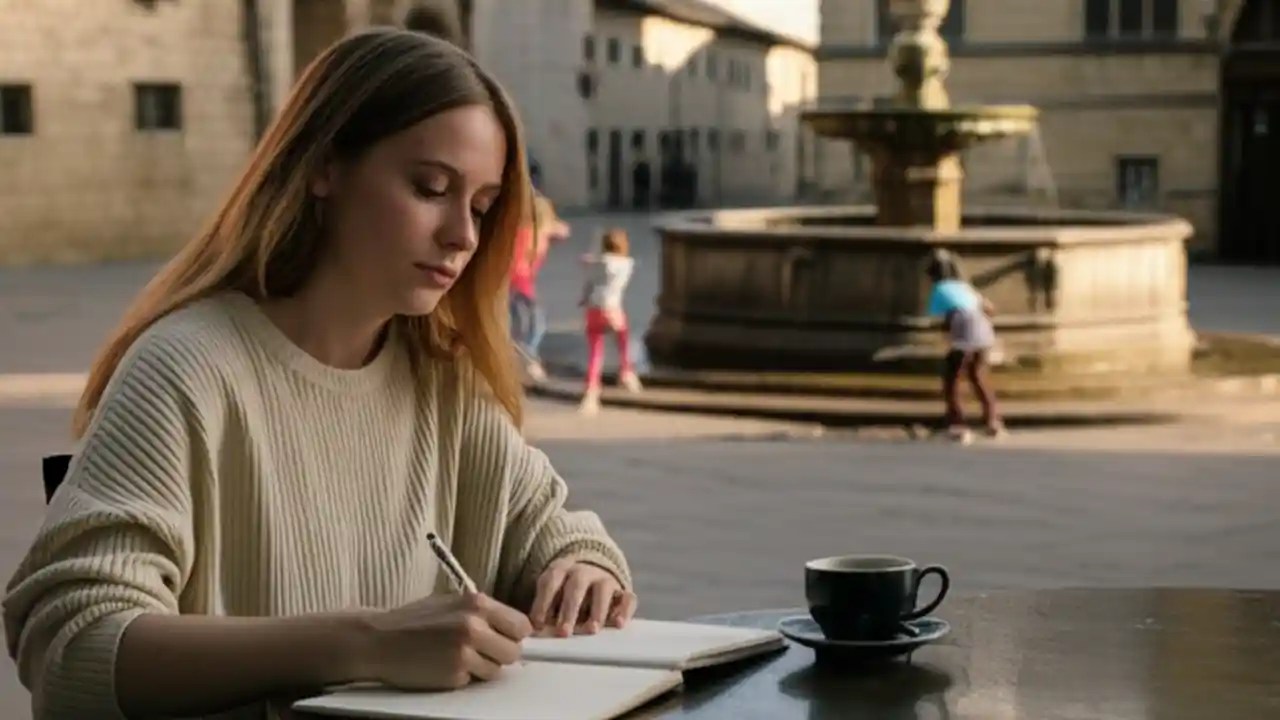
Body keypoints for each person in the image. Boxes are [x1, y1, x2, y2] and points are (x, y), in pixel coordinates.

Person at [2, 29, 635, 720]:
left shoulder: (446, 383)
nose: (463, 235)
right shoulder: (186, 368)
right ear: (324, 167)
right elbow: (73, 648)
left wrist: (585, 571)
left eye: (481, 208)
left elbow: (558, 532)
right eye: (430, 187)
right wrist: (363, 643)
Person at [926, 254, 1006, 444]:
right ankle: (993, 422)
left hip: (964, 332)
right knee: (978, 376)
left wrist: (949, 338)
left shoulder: (939, 290)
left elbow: (944, 319)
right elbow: (989, 308)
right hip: (984, 331)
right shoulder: (964, 286)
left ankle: (958, 426)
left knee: (952, 380)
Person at [578, 229, 642, 415]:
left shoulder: (598, 263)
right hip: (613, 309)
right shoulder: (626, 263)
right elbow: (611, 264)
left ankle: (591, 391)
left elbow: (592, 274)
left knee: (596, 351)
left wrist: (589, 260)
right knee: (622, 340)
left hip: (594, 309)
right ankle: (626, 373)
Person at [510, 194, 568, 381]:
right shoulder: (527, 234)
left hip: (515, 283)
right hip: (520, 283)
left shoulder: (537, 232)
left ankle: (520, 359)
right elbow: (518, 264)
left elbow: (563, 231)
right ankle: (529, 359)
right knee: (537, 324)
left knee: (521, 324)